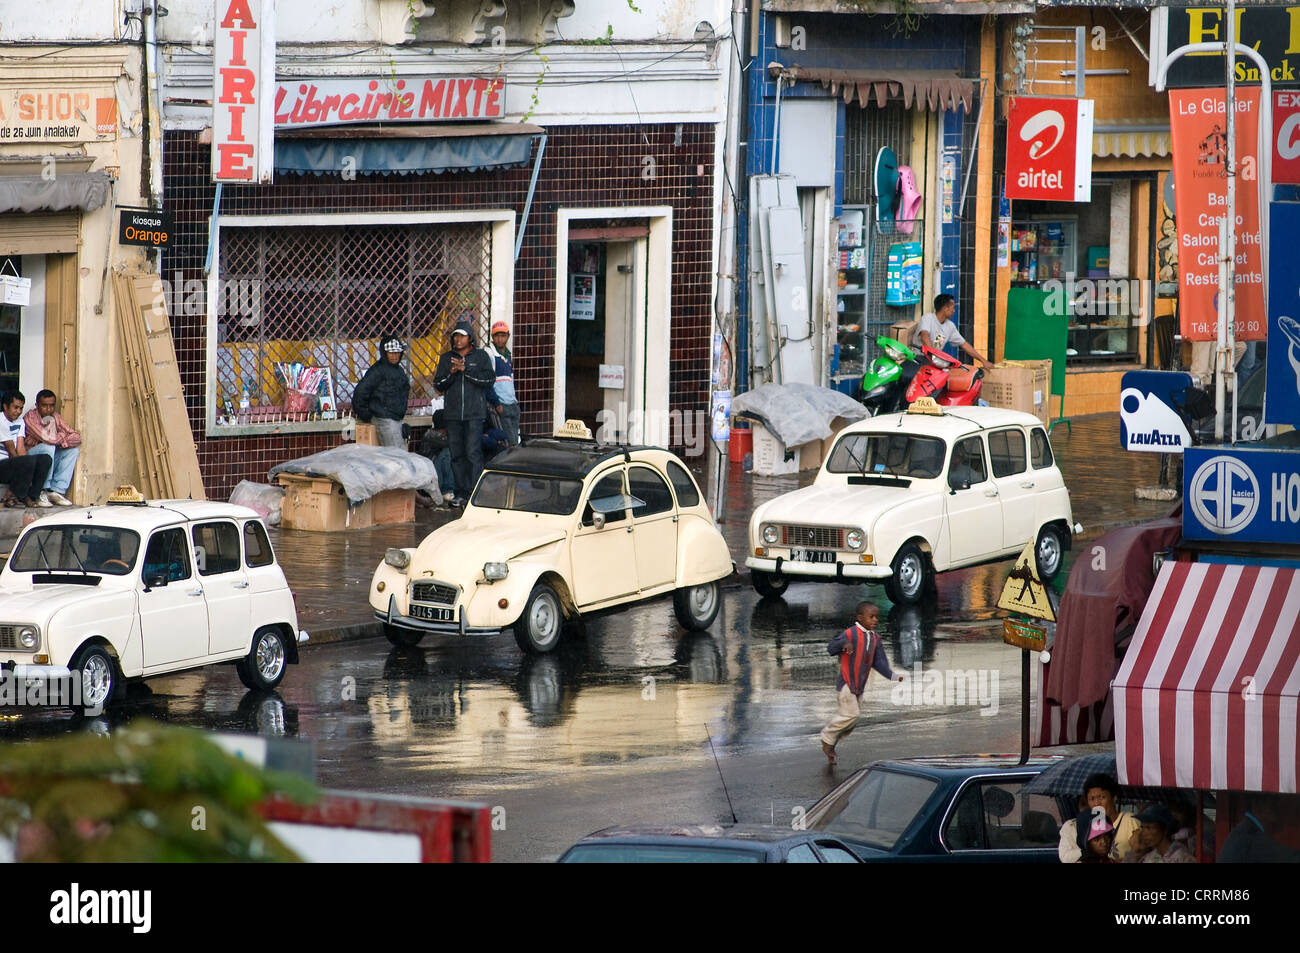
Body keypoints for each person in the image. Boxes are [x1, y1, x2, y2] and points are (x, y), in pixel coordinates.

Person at [819, 602, 905, 766]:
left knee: (851, 723)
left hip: (859, 686)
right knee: (852, 715)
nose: (875, 620)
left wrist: (893, 676)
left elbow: (879, 663)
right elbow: (831, 648)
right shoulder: (849, 634)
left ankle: (831, 743)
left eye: (877, 617)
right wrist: (843, 645)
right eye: (871, 617)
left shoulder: (875, 638)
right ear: (860, 618)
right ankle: (826, 738)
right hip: (846, 684)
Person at [433, 320, 495, 507]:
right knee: (456, 455)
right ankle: (460, 493)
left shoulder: (481, 356)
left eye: (462, 336)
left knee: (473, 453)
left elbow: (488, 380)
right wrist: (452, 372)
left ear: (470, 338)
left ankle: (475, 493)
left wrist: (465, 370)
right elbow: (439, 385)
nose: (458, 340)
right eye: (456, 336)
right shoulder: (446, 358)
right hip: (452, 415)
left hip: (474, 414)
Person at [352, 335, 410, 448]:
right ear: (385, 353)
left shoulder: (399, 371)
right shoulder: (377, 371)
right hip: (385, 420)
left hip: (396, 419)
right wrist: (367, 415)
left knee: (398, 457)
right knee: (396, 457)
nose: (395, 356)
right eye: (391, 353)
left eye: (397, 352)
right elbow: (360, 392)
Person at [23, 389, 79, 506]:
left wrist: (61, 440)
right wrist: (63, 436)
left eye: (52, 406)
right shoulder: (30, 417)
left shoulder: (56, 417)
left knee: (73, 451)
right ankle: (43, 489)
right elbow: (49, 439)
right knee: (49, 447)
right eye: (44, 406)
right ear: (37, 405)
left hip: (49, 453)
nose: (48, 409)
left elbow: (77, 437)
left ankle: (56, 491)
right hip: (31, 457)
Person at [0, 391, 53, 509]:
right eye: (15, 407)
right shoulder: (1, 421)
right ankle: (20, 495)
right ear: (5, 406)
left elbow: (20, 447)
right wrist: (27, 470)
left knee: (45, 459)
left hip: (13, 463)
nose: (19, 411)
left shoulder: (20, 422)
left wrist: (28, 466)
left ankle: (32, 495)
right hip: (2, 465)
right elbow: (12, 451)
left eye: (21, 408)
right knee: (27, 462)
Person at [917, 294, 992, 368]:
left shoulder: (950, 326)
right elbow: (924, 336)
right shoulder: (928, 318)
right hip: (919, 358)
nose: (954, 311)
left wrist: (983, 361)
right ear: (945, 308)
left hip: (934, 362)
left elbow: (964, 345)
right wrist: (932, 355)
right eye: (953, 308)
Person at [1084, 773, 1141, 860]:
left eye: (1102, 797)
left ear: (1114, 798)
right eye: (1092, 799)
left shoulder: (1130, 821)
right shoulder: (1090, 827)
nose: (1097, 803)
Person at [484, 320, 520, 446]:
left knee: (515, 439)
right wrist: (496, 403)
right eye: (497, 336)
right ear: (493, 337)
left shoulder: (508, 355)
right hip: (500, 405)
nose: (500, 339)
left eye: (503, 336)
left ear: (508, 336)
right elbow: (487, 382)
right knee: (508, 442)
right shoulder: (489, 354)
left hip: (512, 404)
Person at [418, 409, 456, 504]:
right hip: (429, 482)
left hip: (433, 480)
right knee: (447, 453)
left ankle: (449, 490)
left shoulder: (435, 435)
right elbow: (452, 444)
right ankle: (447, 490)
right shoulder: (432, 436)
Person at [1057, 796, 1089, 863]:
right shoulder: (1070, 826)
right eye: (1083, 804)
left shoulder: (1107, 824)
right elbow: (1065, 857)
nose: (1087, 808)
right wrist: (1085, 852)